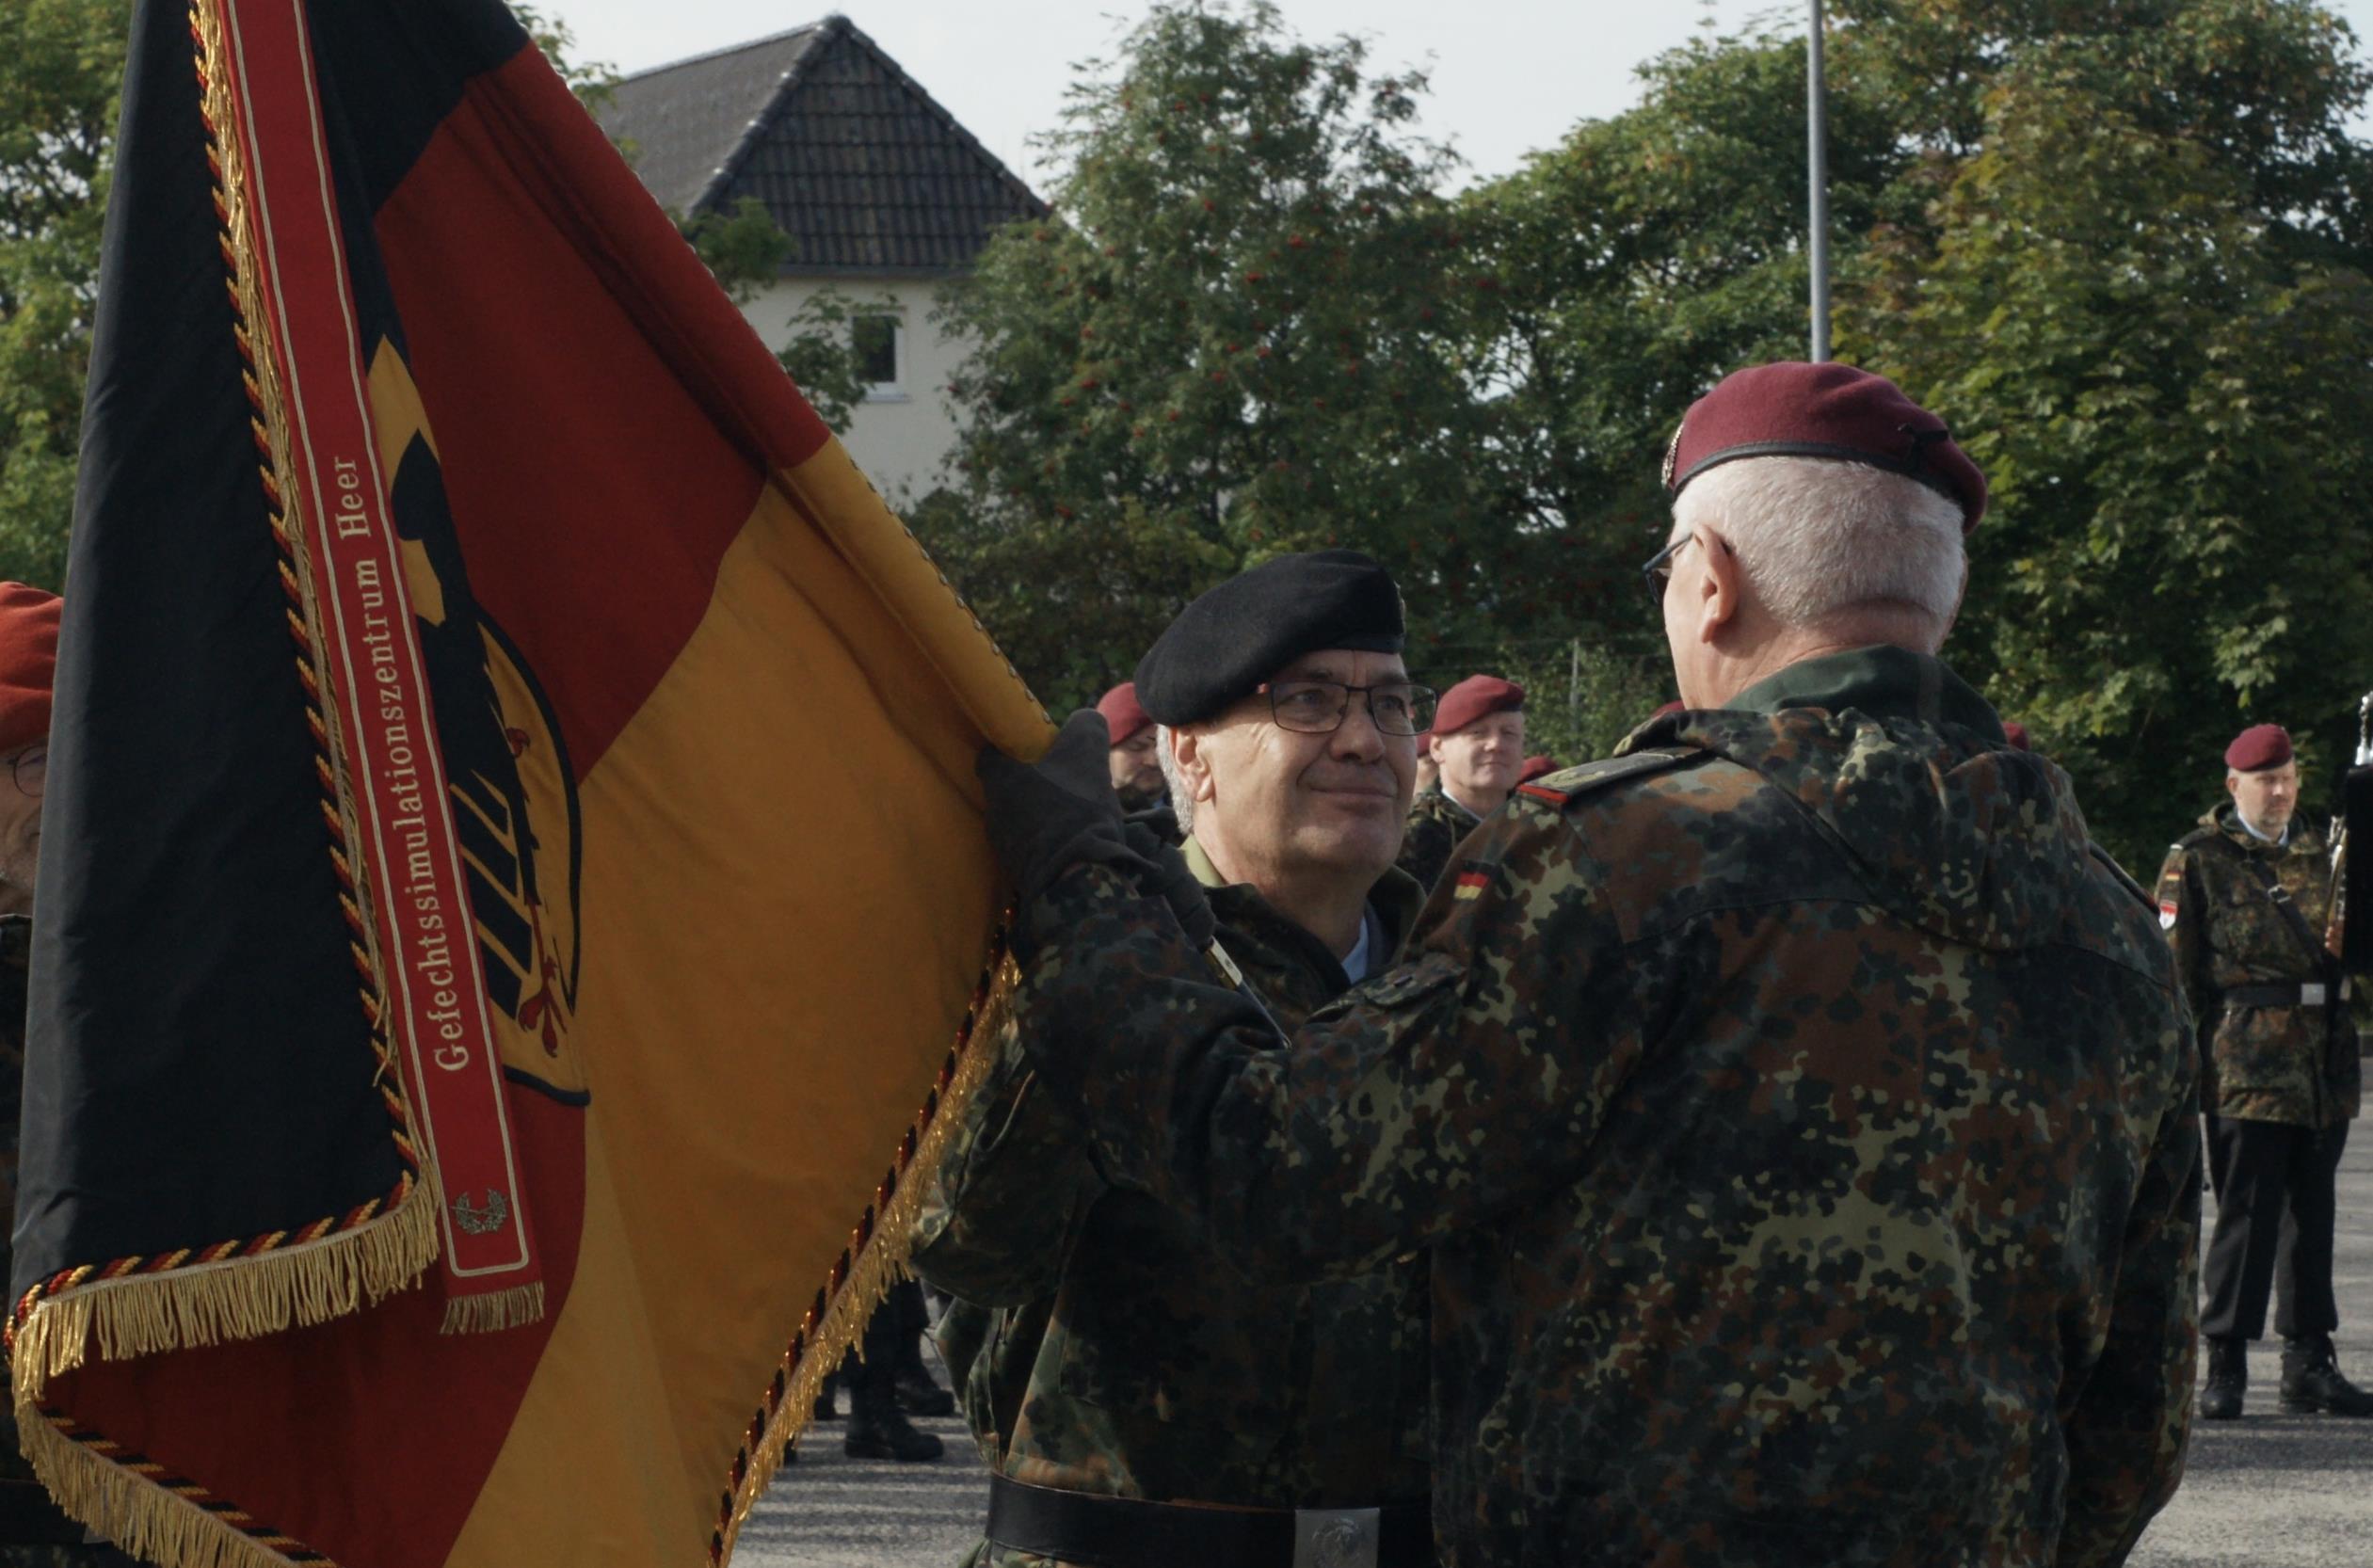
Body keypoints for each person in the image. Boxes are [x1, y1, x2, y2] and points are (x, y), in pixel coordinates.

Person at [977, 363, 2200, 1567]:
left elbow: (1284, 1170)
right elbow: (2134, 1425)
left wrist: (1084, 879)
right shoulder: (2101, 922)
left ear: (1710, 584)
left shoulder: (1622, 856)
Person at [914, 550, 1435, 1568]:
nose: (1365, 741)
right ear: (1188, 756)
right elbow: (969, 1247)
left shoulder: (1460, 978)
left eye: (1391, 704)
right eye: (1309, 702)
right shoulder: (1087, 958)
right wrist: (1087, 977)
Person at [2156, 723, 2371, 1420]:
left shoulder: (2331, 854)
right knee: (2245, 1218)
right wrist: (2175, 1068)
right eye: (2263, 780)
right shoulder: (2197, 859)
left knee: (2311, 1219)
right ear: (2233, 786)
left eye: (2287, 778)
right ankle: (2224, 1366)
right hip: (2244, 1063)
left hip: (2324, 1064)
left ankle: (2309, 1364)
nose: (2278, 792)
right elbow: (2172, 973)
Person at [0, 584, 146, 1566]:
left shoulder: (177, 972)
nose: (54, 792)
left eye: (70, 757)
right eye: (31, 762)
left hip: (159, 1497)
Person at [1396, 676, 1524, 891]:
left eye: (1509, 733)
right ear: (1437, 748)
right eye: (1478, 733)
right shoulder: (1410, 837)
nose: (1495, 744)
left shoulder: (1539, 827)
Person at [1096, 682, 1164, 813]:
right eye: (1136, 748)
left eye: (1161, 747)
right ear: (1104, 752)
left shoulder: (1199, 812)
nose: (1153, 760)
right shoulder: (1083, 822)